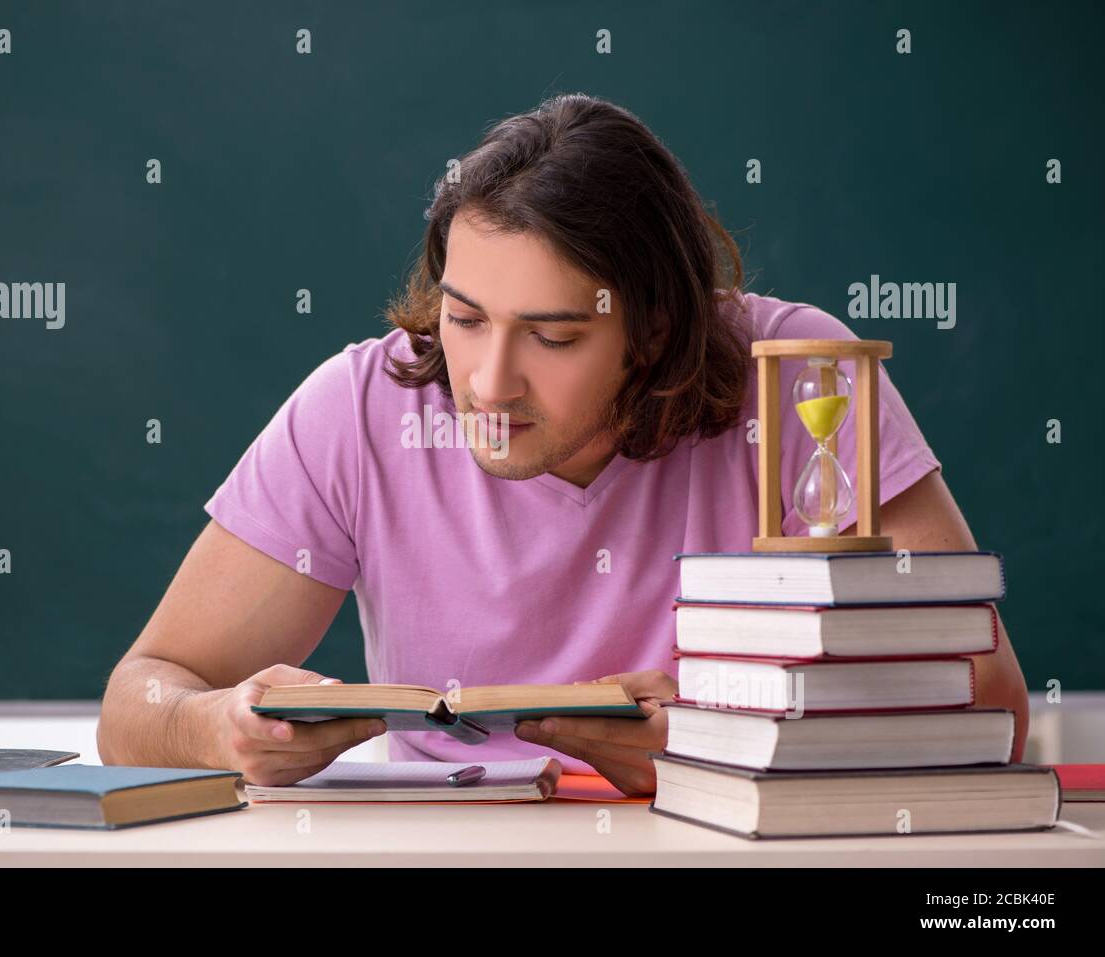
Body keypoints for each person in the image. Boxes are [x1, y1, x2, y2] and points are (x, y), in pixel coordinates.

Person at [96, 93, 1028, 796]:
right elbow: (136, 701)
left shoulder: (798, 379)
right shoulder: (360, 405)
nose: (488, 382)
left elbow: (990, 710)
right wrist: (218, 727)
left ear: (654, 329)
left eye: (552, 337)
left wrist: (714, 740)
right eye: (464, 318)